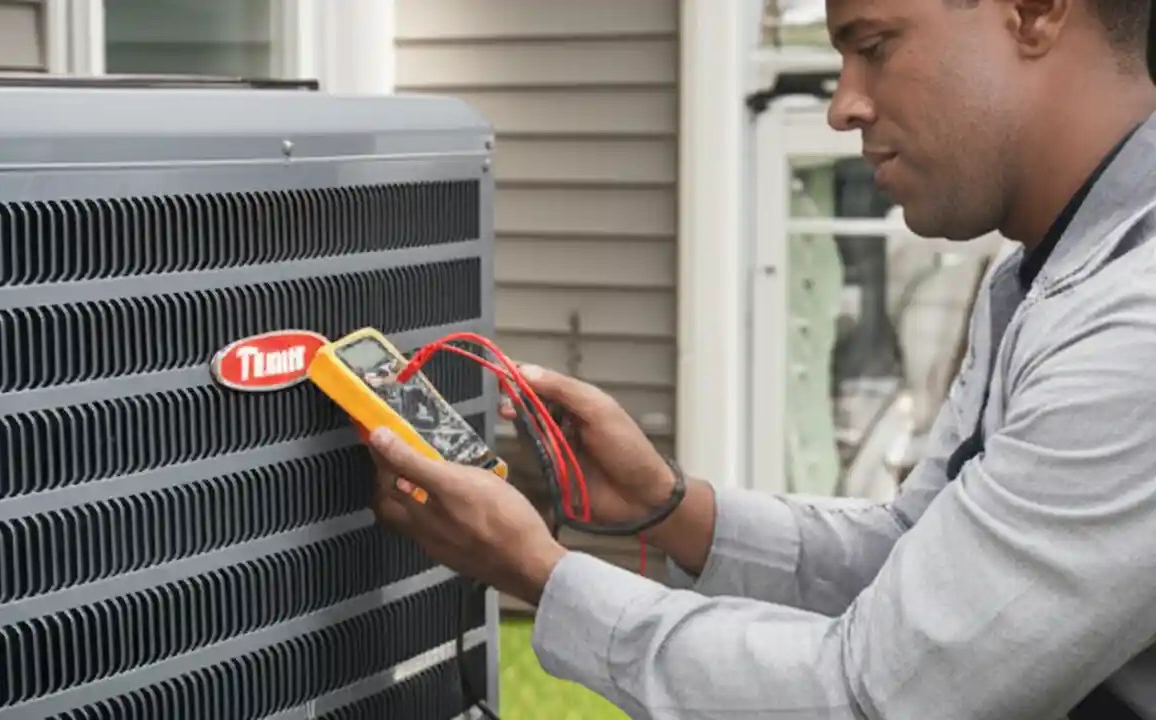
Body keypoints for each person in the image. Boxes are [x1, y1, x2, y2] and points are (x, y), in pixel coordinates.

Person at [362, 0, 1156, 717]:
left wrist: (541, 573)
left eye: (873, 44)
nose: (845, 105)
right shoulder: (1040, 277)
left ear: (1035, 11)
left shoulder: (1132, 330)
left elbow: (871, 699)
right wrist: (673, 508)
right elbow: (918, 555)